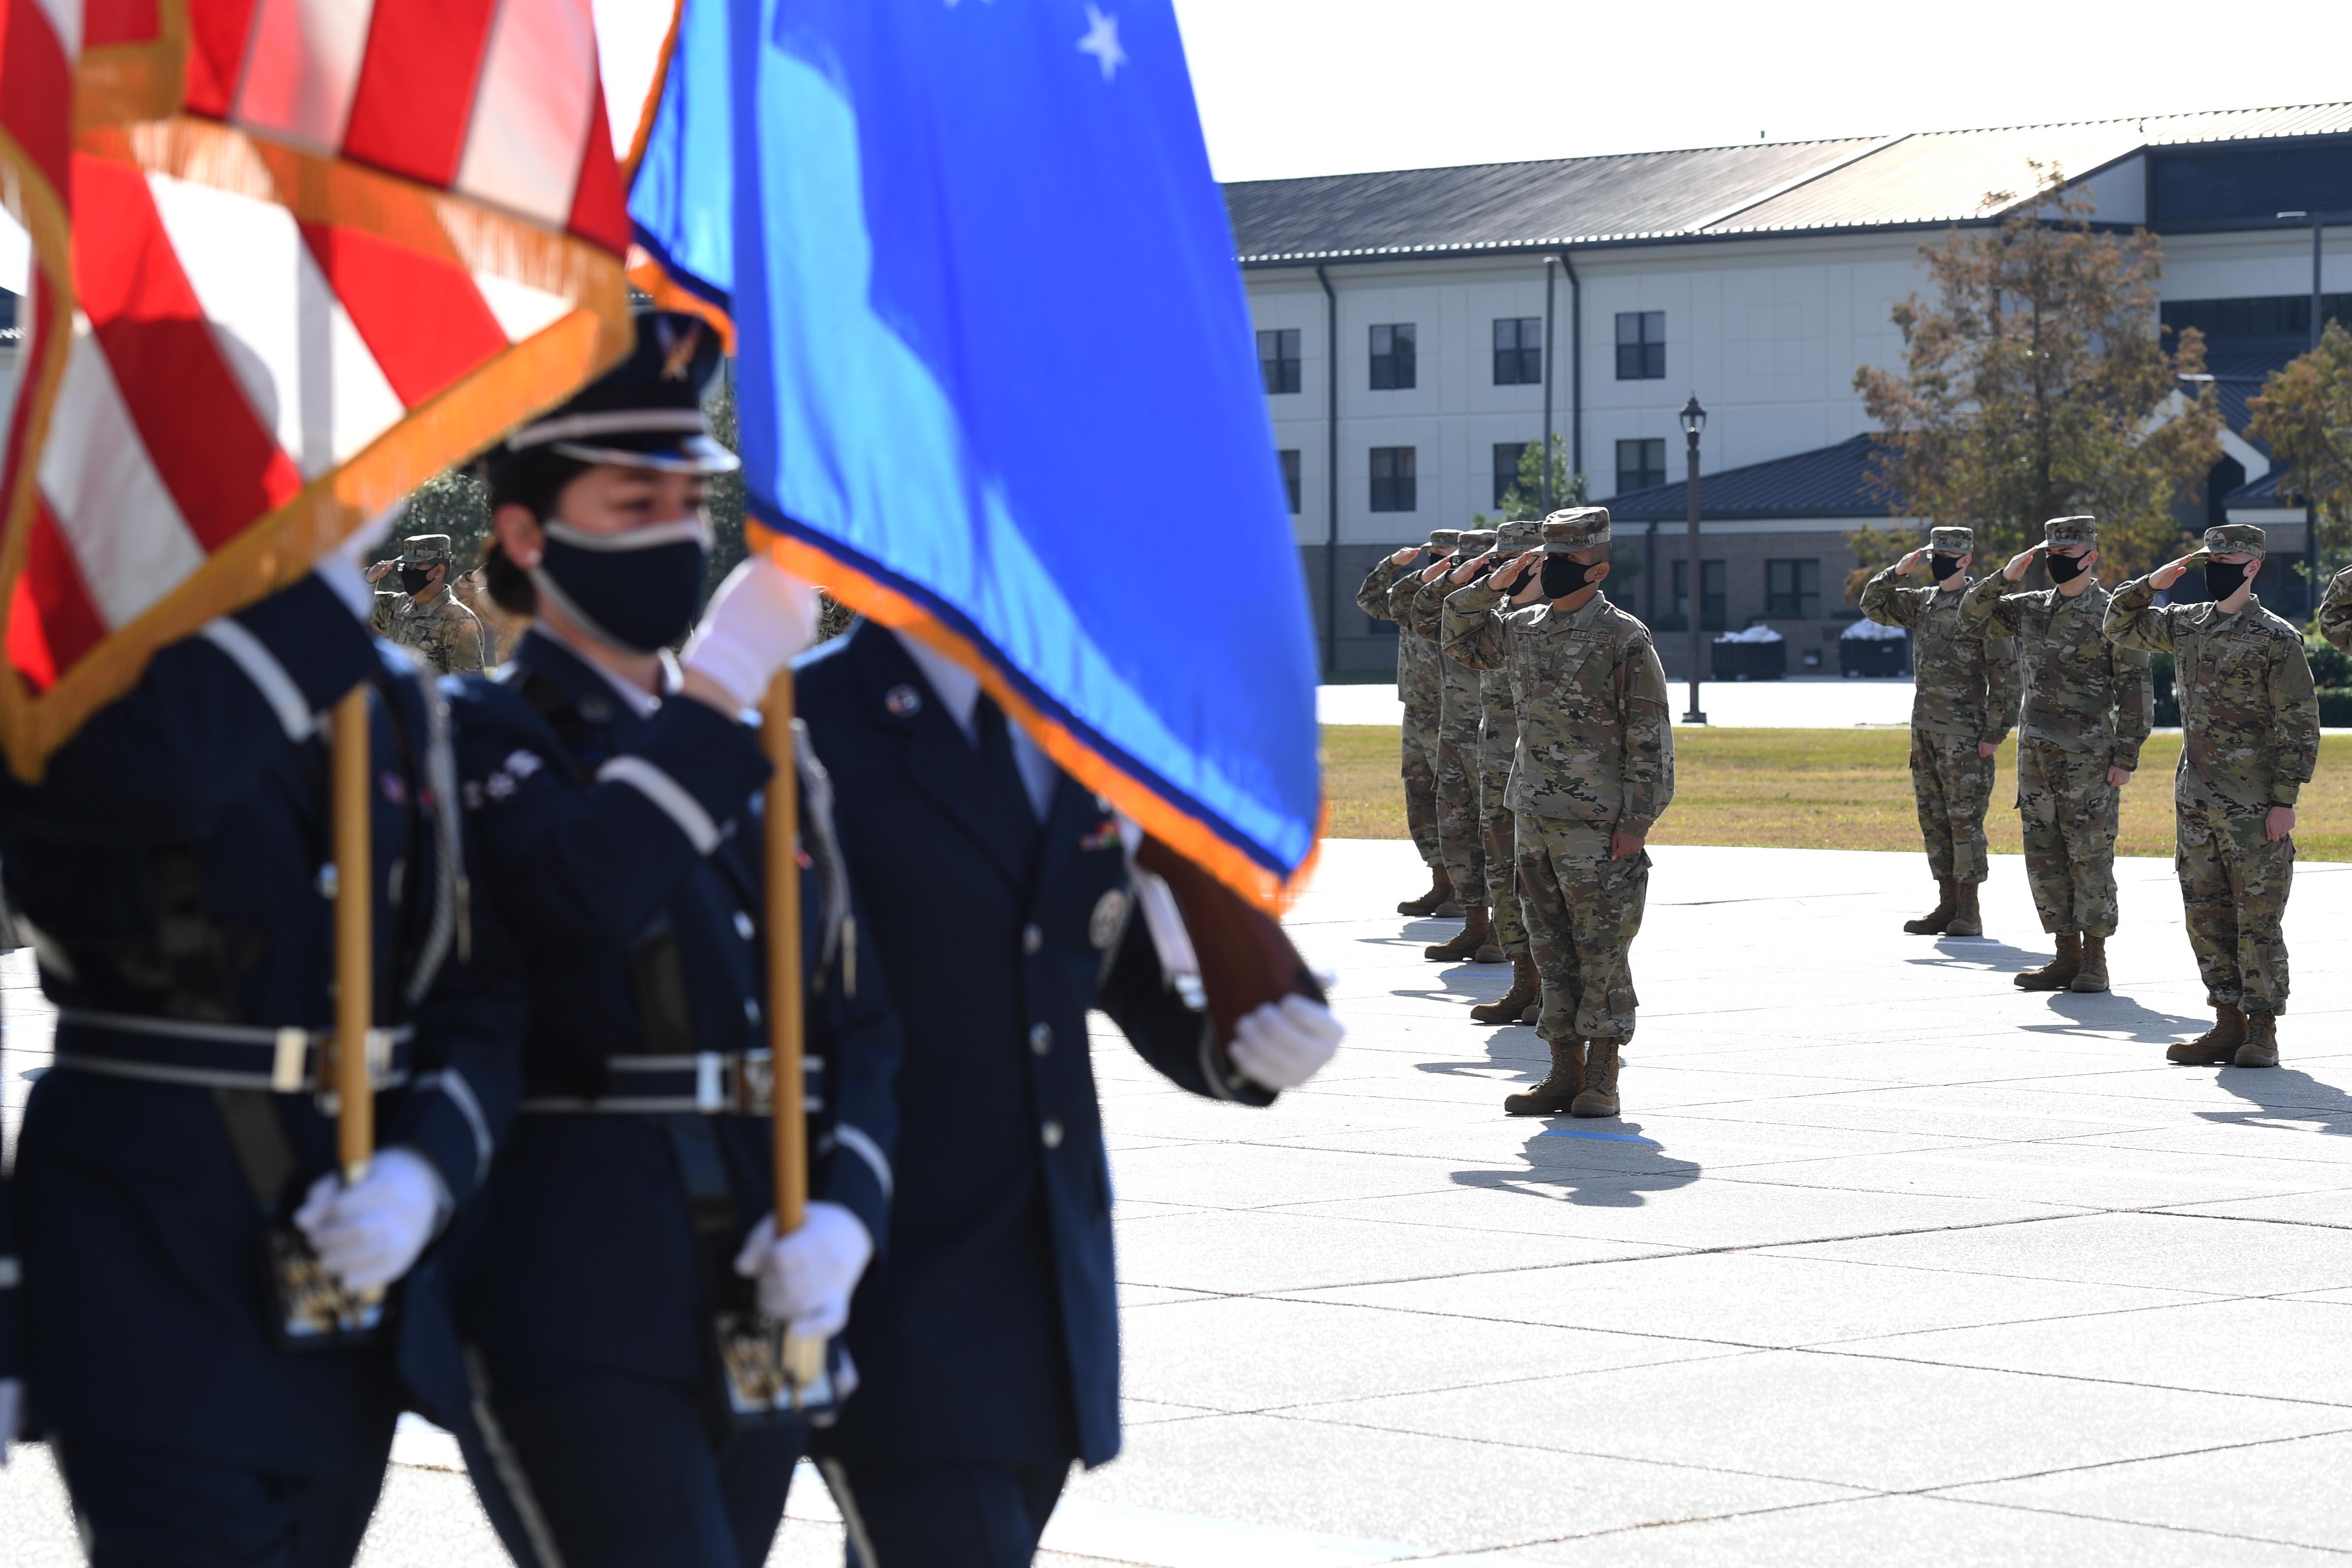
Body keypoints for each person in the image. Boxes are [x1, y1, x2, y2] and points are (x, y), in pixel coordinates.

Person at [443, 312, 901, 1568]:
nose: (677, 532)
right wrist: (713, 698)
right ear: (531, 532)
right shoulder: (480, 734)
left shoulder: (768, 748)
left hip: (763, 1261)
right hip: (574, 1284)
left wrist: (848, 1207)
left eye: (691, 500)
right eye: (633, 497)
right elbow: (580, 890)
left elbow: (855, 1021)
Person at [0, 547, 523, 1566]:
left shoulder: (394, 698)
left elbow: (472, 985)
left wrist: (428, 1167)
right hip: (149, 1269)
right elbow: (112, 823)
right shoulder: (88, 680)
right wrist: (304, 626)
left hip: (344, 1282)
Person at [795, 620, 1344, 1567]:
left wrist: (1242, 1049)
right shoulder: (800, 717)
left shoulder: (1072, 724)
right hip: (885, 1269)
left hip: (1044, 1284)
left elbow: (1112, 970)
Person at [1443, 507, 1673, 1119]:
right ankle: (1562, 1071)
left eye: (1564, 563)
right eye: (1546, 559)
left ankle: (1603, 1075)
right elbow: (1458, 634)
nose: (1550, 571)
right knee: (1550, 947)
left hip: (1599, 824)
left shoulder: (1624, 637)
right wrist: (1491, 586)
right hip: (1534, 815)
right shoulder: (1525, 628)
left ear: (1597, 569)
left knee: (1601, 948)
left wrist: (1636, 823)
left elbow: (1650, 738)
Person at [2105, 525, 2319, 1068]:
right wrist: (2152, 582)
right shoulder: (2185, 624)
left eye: (2227, 559)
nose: (2215, 566)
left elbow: (2300, 724)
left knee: (2258, 920)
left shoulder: (2277, 638)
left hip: (2254, 806)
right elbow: (2118, 625)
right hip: (2196, 799)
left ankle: (2263, 1031)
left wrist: (2284, 800)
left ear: (2253, 567)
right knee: (2205, 915)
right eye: (2209, 557)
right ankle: (2228, 1022)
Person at [1960, 516, 2152, 995]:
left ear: (2091, 556)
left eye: (2067, 553)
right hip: (2036, 753)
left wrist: (2125, 756)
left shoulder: (2112, 614)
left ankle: (2095, 959)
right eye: (2051, 553)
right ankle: (2065, 954)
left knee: (2089, 854)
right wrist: (2005, 576)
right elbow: (1970, 613)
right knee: (2044, 853)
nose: (2056, 562)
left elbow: (2136, 690)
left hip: (2089, 756)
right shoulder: (2029, 608)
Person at [1858, 526, 2019, 938]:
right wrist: (1896, 572)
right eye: (1934, 555)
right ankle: (1947, 904)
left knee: (1965, 821)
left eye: (1947, 555)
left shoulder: (1982, 606)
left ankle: (1970, 909)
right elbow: (1873, 606)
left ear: (1966, 560)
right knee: (1933, 819)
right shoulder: (1923, 602)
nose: (1938, 562)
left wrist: (1994, 733)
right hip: (1926, 730)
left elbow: (2006, 677)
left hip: (1966, 734)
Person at [1445, 517, 1545, 1023]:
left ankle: (1552, 991)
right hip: (1499, 768)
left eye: (1519, 561)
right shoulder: (1502, 619)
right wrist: (1487, 586)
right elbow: (1448, 624)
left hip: (1550, 779)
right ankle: (1523, 981)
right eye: (1502, 560)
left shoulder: (1562, 620)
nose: (1509, 569)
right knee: (1504, 876)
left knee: (1544, 886)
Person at [1408, 529, 1503, 964]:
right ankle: (1475, 922)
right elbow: (1419, 613)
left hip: (1502, 742)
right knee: (1458, 829)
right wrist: (1452, 578)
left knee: (1501, 838)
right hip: (1457, 731)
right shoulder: (1463, 608)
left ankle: (1507, 933)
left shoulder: (1525, 615)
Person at [1360, 529, 1461, 916]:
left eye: (1446, 555)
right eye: (1432, 555)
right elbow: (1369, 600)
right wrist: (1393, 564)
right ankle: (1442, 881)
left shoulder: (1466, 600)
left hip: (1454, 714)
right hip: (1417, 711)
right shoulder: (1412, 601)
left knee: (1456, 802)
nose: (1437, 562)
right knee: (1420, 798)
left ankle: (1468, 893)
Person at [369, 532, 490, 674]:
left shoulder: (459, 621)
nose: (408, 572)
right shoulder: (398, 605)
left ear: (438, 571)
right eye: (405, 566)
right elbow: (354, 612)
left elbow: (466, 688)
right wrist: (368, 580)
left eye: (414, 566)